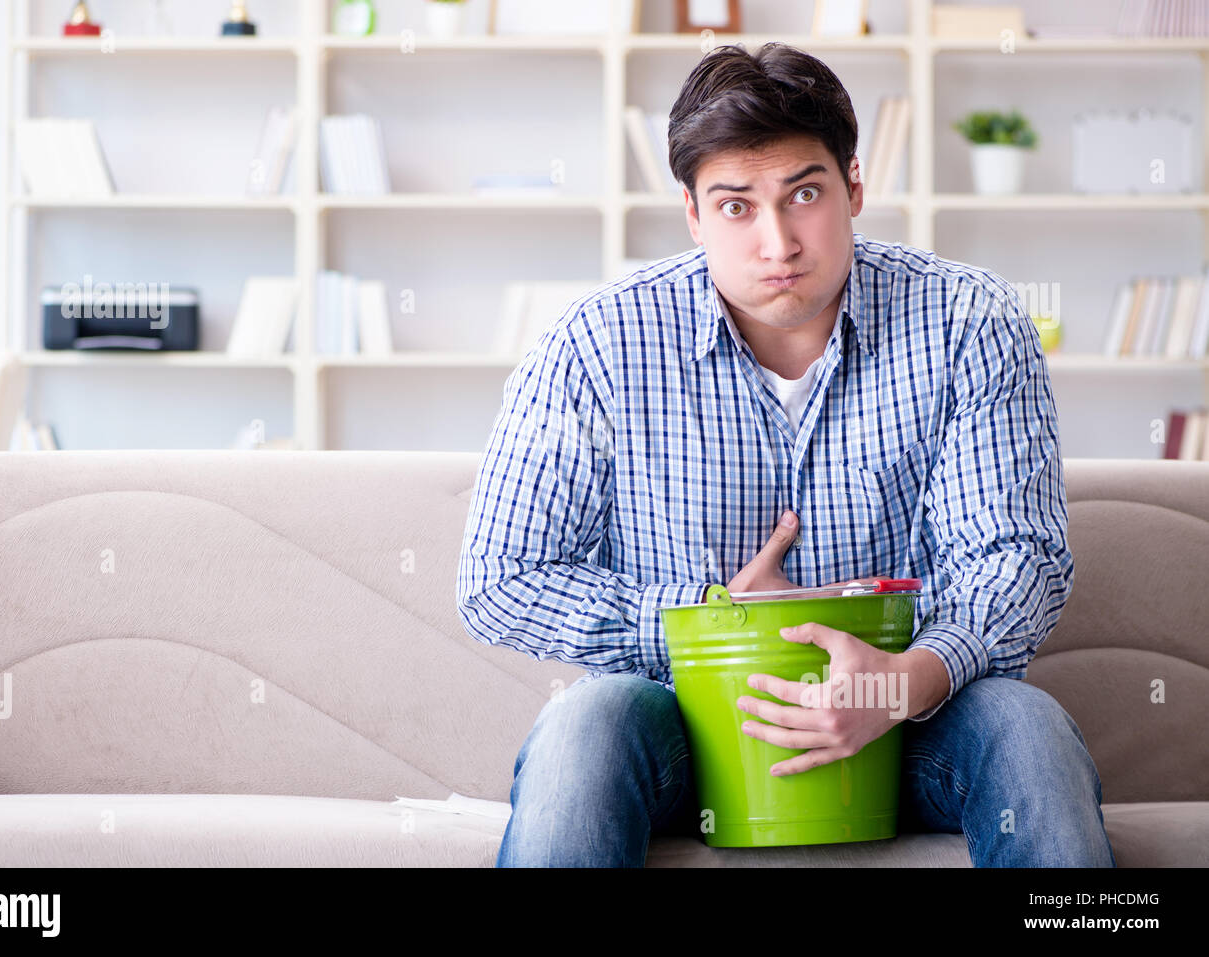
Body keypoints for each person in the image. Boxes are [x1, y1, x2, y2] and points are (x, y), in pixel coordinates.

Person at [456, 42, 1115, 868]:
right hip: (688, 725)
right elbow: (502, 575)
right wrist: (711, 623)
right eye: (736, 206)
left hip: (913, 720)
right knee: (585, 724)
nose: (778, 242)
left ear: (854, 188)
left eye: (804, 194)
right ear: (693, 214)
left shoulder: (969, 322)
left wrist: (899, 681)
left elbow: (1017, 558)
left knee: (1026, 725)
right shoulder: (596, 345)